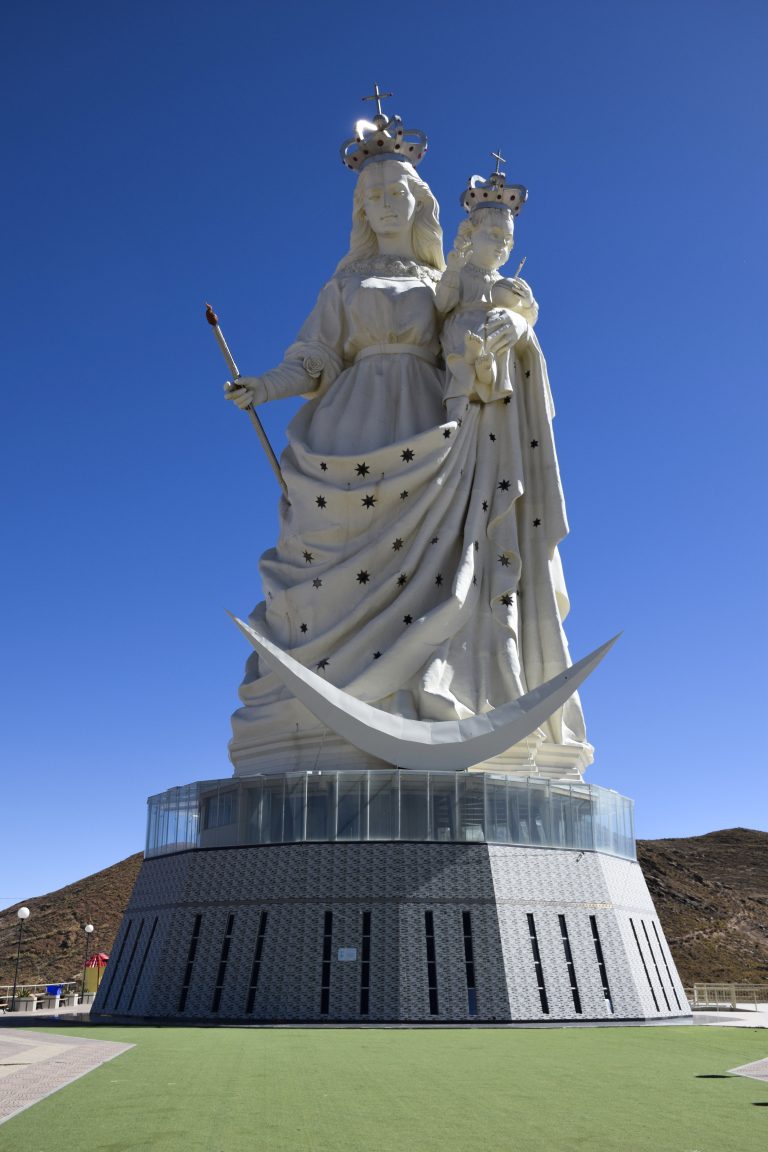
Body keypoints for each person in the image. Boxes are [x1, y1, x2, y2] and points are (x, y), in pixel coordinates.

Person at [224, 112, 590, 777]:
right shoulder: (343, 286)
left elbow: (478, 333)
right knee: (326, 561)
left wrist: (513, 327)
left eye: (397, 193)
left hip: (428, 429)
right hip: (345, 427)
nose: (386, 205)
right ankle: (318, 711)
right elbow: (314, 358)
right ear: (361, 210)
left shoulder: (441, 284)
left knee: (440, 563)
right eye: (374, 197)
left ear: (420, 203)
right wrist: (265, 386)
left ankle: (427, 691)